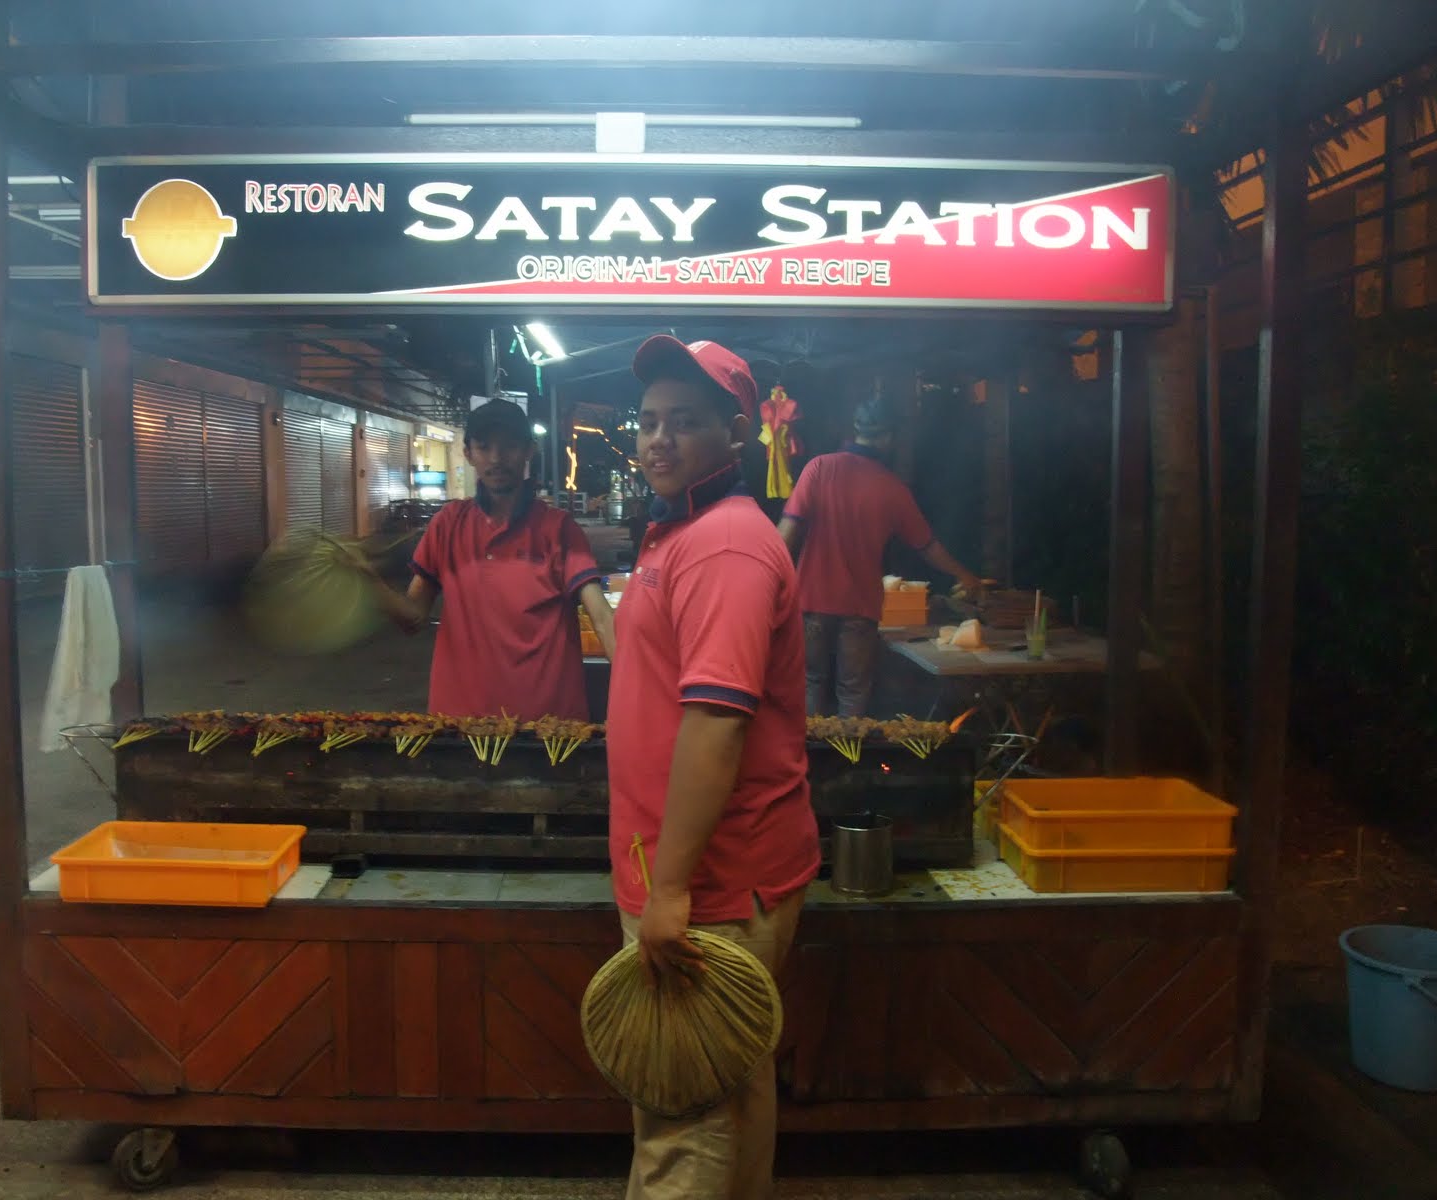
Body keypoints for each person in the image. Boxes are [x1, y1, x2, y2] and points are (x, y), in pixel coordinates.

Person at [607, 335, 820, 1200]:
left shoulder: (725, 544)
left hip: (714, 885)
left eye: (684, 423)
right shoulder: (685, 531)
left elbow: (716, 725)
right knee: (730, 1088)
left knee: (682, 1113)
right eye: (649, 421)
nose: (659, 439)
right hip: (701, 877)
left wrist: (670, 892)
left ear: (736, 434)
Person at [369, 397, 615, 719]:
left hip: (549, 729)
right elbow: (414, 616)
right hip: (459, 725)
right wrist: (366, 586)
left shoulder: (559, 529)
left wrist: (642, 692)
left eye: (510, 446)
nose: (497, 458)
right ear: (468, 453)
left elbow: (601, 617)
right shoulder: (447, 524)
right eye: (484, 447)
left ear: (529, 451)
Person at [778, 395, 982, 717]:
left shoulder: (818, 467)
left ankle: (808, 762)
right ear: (887, 437)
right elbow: (927, 545)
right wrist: (965, 576)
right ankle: (849, 758)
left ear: (855, 429)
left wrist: (766, 586)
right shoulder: (892, 488)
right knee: (853, 688)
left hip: (812, 601)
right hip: (860, 608)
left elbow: (787, 534)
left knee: (810, 681)